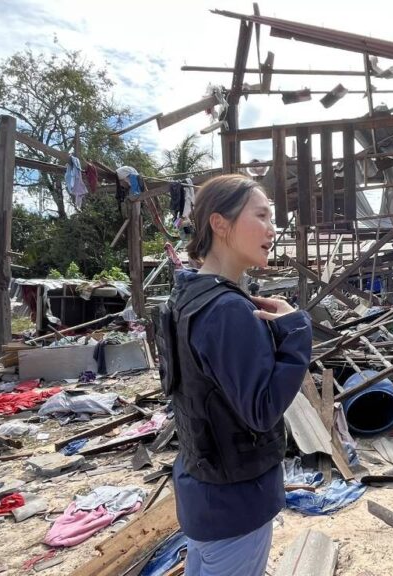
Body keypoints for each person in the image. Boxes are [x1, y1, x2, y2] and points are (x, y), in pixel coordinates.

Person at [156, 175, 313, 576]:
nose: (271, 229)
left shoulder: (186, 295)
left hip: (206, 493)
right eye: (260, 216)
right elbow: (260, 411)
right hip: (234, 506)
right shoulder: (227, 309)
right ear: (219, 224)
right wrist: (296, 334)